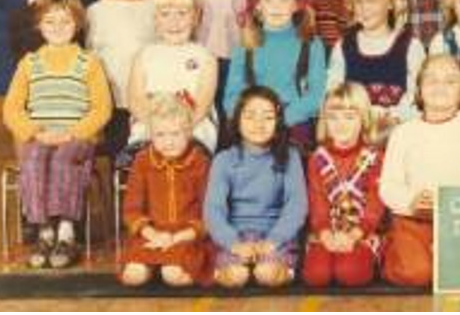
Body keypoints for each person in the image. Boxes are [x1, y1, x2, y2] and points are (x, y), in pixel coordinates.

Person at [3, 0, 113, 269]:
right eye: (50, 21)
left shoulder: (89, 63)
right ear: (39, 25)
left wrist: (73, 133)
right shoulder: (29, 63)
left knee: (64, 159)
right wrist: (35, 132)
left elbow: (102, 108)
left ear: (76, 24)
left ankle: (66, 232)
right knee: (36, 157)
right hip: (41, 135)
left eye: (65, 21)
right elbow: (11, 109)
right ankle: (44, 232)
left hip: (76, 137)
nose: (58, 28)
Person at [379, 54, 460, 287]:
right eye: (431, 80)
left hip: (458, 221)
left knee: (457, 275)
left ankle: (435, 256)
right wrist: (411, 201)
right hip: (411, 220)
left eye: (450, 81)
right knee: (417, 274)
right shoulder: (404, 132)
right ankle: (389, 252)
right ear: (419, 89)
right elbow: (388, 186)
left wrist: (452, 208)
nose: (440, 87)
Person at [205, 86, 308, 288]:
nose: (258, 124)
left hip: (275, 236)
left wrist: (273, 241)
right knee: (236, 276)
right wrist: (234, 243)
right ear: (238, 120)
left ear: (278, 122)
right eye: (250, 116)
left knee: (266, 274)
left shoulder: (290, 156)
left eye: (268, 117)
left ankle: (284, 269)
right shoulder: (224, 159)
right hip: (235, 237)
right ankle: (225, 268)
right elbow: (213, 210)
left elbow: (296, 206)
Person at [223, 0, 327, 149]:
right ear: (257, 5)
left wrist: (280, 120)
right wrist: (253, 120)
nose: (276, 7)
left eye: (284, 0)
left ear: (295, 5)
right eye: (269, 0)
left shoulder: (311, 43)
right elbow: (231, 97)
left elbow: (317, 95)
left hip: (293, 121)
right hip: (253, 122)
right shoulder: (246, 43)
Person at [118, 93, 212, 287]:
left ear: (188, 132)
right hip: (152, 233)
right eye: (160, 135)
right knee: (133, 276)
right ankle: (155, 265)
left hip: (187, 236)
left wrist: (176, 238)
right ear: (151, 135)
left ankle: (169, 267)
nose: (168, 142)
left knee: (173, 275)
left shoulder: (199, 162)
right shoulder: (143, 160)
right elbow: (131, 209)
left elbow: (209, 213)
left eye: (175, 134)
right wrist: (154, 235)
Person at [302, 83, 386, 288]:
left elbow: (375, 207)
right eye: (334, 117)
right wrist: (325, 234)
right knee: (316, 275)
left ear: (363, 120)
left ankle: (368, 259)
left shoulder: (375, 158)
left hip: (363, 233)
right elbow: (317, 203)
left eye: (350, 117)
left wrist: (355, 235)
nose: (341, 124)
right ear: (325, 121)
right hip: (327, 233)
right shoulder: (317, 159)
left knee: (349, 273)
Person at [327, 0, 426, 136]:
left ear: (390, 3)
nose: (365, 9)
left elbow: (417, 98)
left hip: (399, 135)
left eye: (372, 1)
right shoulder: (344, 46)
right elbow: (333, 92)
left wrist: (392, 117)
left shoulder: (410, 46)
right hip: (355, 136)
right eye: (359, 2)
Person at [125, 0, 219, 157]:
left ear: (195, 17)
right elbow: (135, 100)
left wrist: (179, 131)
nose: (174, 22)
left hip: (193, 125)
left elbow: (203, 102)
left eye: (182, 13)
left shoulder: (205, 57)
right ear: (155, 19)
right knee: (141, 155)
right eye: (165, 14)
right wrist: (158, 129)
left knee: (193, 153)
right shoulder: (144, 55)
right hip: (150, 125)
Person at [86, 0, 156, 156]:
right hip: (109, 107)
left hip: (150, 107)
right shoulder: (91, 13)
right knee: (113, 162)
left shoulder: (159, 8)